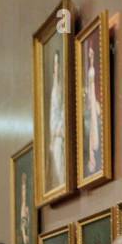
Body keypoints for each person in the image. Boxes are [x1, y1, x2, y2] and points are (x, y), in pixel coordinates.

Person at [48, 49, 67, 188]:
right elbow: (53, 119)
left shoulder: (62, 89)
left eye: (57, 64)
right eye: (54, 65)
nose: (56, 69)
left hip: (61, 138)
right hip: (57, 139)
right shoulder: (55, 91)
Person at [84, 44, 103, 176]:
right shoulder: (90, 71)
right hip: (92, 98)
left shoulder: (94, 70)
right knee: (91, 130)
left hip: (94, 97)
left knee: (94, 127)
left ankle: (94, 156)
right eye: (89, 53)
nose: (90, 54)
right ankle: (92, 157)